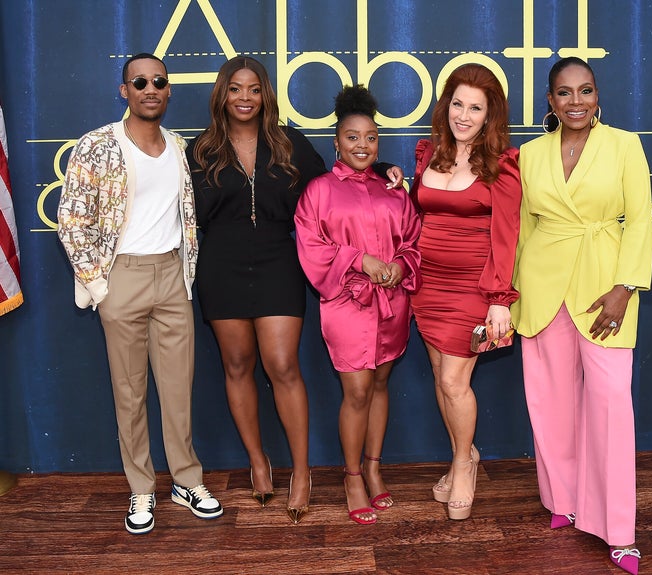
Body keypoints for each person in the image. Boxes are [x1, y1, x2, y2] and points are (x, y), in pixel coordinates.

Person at [186, 56, 403, 524]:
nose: (245, 97)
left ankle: (301, 472)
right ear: (222, 94)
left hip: (277, 264)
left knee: (282, 366)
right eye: (235, 88)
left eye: (254, 89)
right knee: (238, 364)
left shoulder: (290, 145)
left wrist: (383, 166)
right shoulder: (199, 151)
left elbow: (343, 174)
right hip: (221, 266)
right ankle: (258, 462)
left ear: (266, 95)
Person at [57, 53, 223, 534]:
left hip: (172, 277)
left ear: (169, 91)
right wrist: (99, 286)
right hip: (121, 279)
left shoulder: (179, 147)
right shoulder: (97, 146)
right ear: (124, 90)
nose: (151, 89)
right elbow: (71, 219)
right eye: (140, 81)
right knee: (129, 394)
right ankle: (141, 490)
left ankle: (186, 480)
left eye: (159, 82)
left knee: (177, 389)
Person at [512, 56, 652, 575]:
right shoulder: (529, 154)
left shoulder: (624, 145)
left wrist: (624, 288)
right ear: (549, 102)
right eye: (565, 93)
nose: (576, 101)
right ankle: (563, 500)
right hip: (543, 284)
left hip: (604, 287)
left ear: (598, 97)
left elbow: (640, 221)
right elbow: (523, 230)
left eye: (586, 90)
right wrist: (513, 295)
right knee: (550, 401)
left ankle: (620, 531)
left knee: (612, 403)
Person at [294, 85, 421, 525]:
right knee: (358, 390)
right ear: (336, 142)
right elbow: (312, 248)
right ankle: (351, 476)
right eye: (352, 137)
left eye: (370, 138)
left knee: (381, 385)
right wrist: (360, 260)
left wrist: (401, 267)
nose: (362, 145)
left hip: (392, 304)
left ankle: (373, 466)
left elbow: (412, 240)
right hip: (346, 303)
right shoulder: (319, 192)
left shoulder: (394, 190)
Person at [409, 64, 521, 521]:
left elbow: (507, 234)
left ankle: (462, 466)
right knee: (441, 377)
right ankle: (467, 452)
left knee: (456, 382)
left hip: (473, 287)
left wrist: (499, 299)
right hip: (428, 285)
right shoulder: (427, 155)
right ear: (446, 105)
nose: (464, 114)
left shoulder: (503, 165)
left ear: (489, 115)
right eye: (458, 103)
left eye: (476, 107)